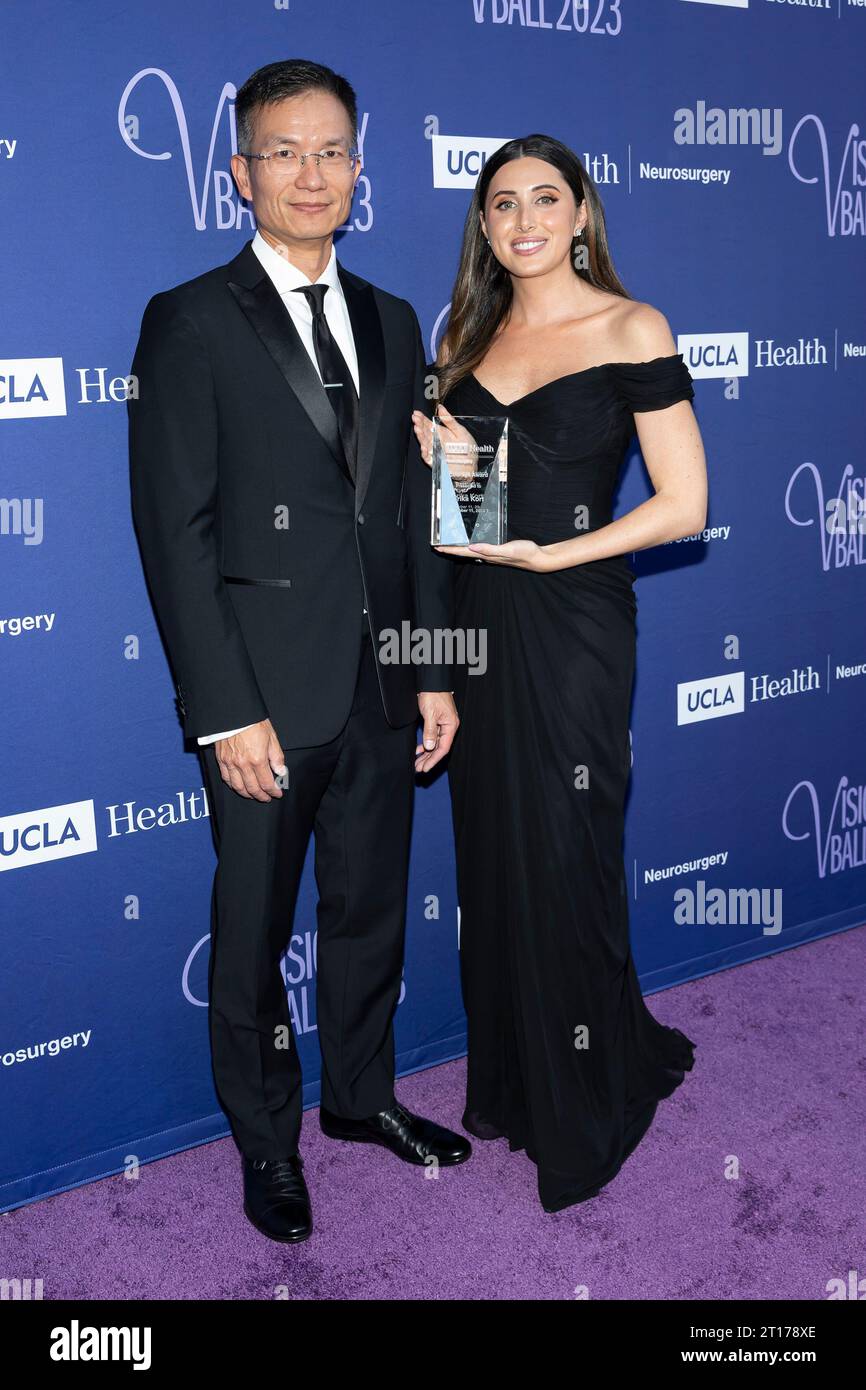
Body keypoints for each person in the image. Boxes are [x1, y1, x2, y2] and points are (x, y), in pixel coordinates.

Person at [128, 59, 470, 1245]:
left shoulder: (389, 317)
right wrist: (225, 710)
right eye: (284, 151)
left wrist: (431, 664)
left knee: (369, 911)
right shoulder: (187, 320)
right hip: (267, 699)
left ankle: (362, 1098)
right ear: (240, 174)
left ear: (360, 167)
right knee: (254, 936)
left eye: (330, 149)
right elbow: (175, 532)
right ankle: (266, 1145)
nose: (310, 172)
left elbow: (415, 514)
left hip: (382, 691)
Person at [412, 134, 707, 1213]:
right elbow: (462, 531)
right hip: (482, 623)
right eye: (501, 204)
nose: (523, 219)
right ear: (482, 224)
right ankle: (521, 1081)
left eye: (545, 197)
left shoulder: (631, 326)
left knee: (565, 844)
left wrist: (554, 553)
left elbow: (684, 506)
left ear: (581, 211)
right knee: (496, 857)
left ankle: (587, 1095)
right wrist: (453, 476)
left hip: (576, 618)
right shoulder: (463, 330)